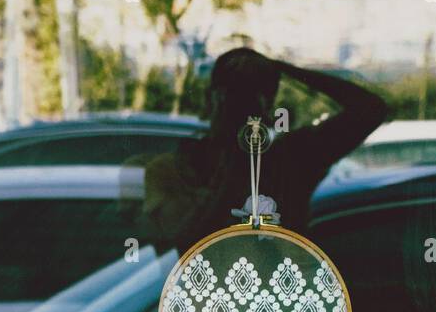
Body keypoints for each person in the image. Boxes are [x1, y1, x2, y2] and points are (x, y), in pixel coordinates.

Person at [143, 48, 387, 253]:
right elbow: (181, 244)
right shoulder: (173, 170)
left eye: (249, 96)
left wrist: (283, 68)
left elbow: (371, 110)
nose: (239, 106)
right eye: (232, 95)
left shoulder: (289, 157)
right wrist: (286, 72)